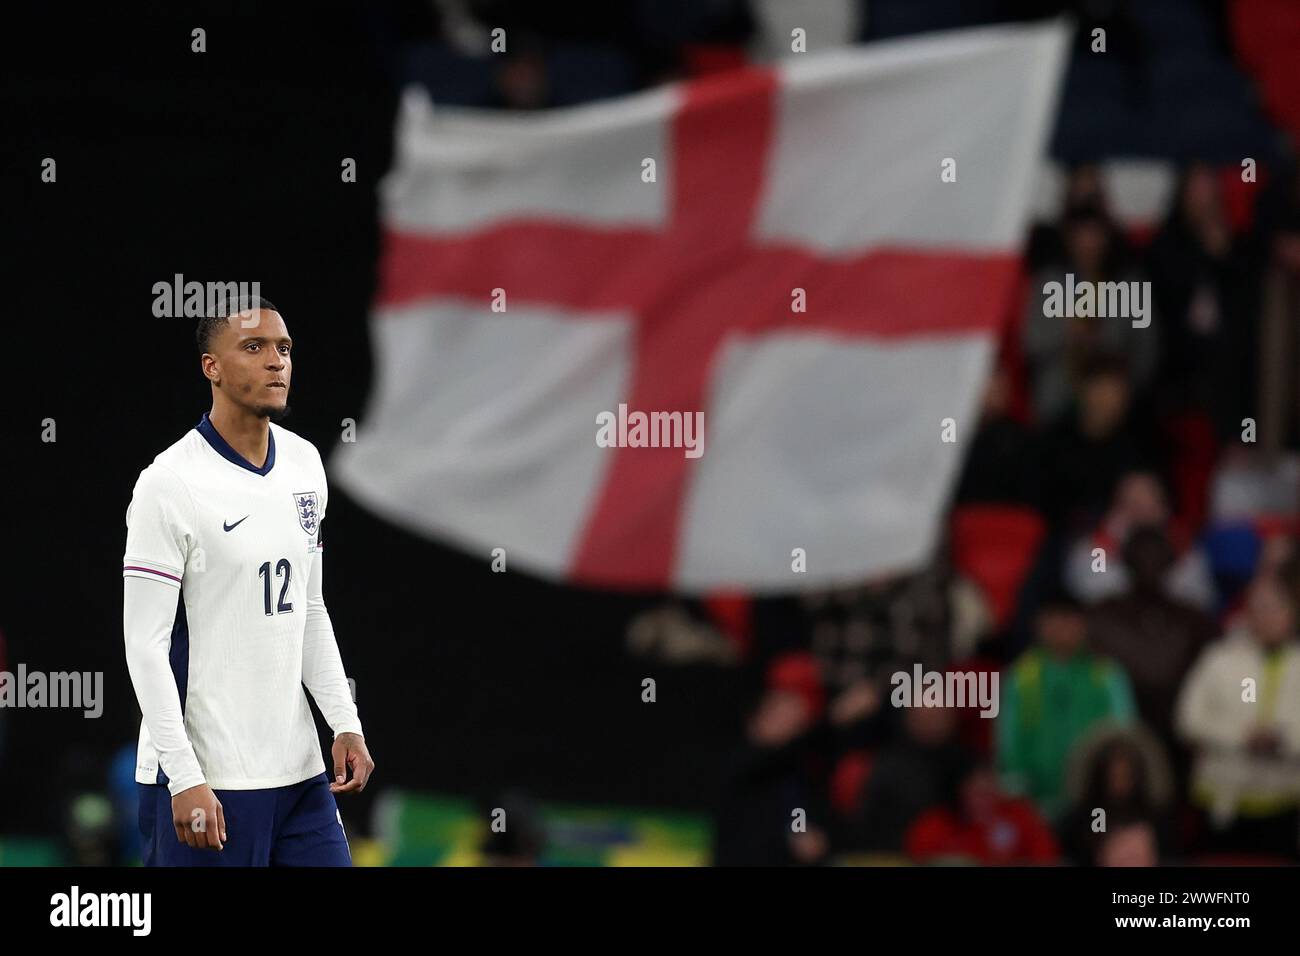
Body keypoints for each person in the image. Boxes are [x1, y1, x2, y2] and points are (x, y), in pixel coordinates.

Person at [123, 296, 374, 866]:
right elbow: (144, 645)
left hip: (300, 773)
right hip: (207, 778)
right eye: (254, 347)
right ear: (211, 366)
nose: (276, 362)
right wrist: (183, 775)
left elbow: (310, 608)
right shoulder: (170, 483)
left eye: (284, 348)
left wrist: (343, 721)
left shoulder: (306, 465)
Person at [1176, 574, 1300, 859]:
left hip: (1285, 802)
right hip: (1221, 800)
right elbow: (1188, 719)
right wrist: (1243, 737)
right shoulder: (1219, 658)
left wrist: (1282, 739)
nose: (1267, 618)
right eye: (1259, 609)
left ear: (1292, 613)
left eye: (1275, 608)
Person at [997, 592, 1136, 819]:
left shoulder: (1106, 674)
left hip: (1096, 804)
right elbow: (1009, 745)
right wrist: (1018, 801)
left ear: (1083, 626)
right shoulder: (1021, 677)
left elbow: (1124, 736)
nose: (1061, 629)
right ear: (1039, 625)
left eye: (1069, 620)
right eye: (1053, 620)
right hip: (1036, 805)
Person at [905, 756, 1059, 865]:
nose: (985, 796)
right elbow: (918, 857)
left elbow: (1046, 857)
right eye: (976, 791)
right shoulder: (936, 825)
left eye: (989, 787)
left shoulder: (1019, 815)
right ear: (959, 791)